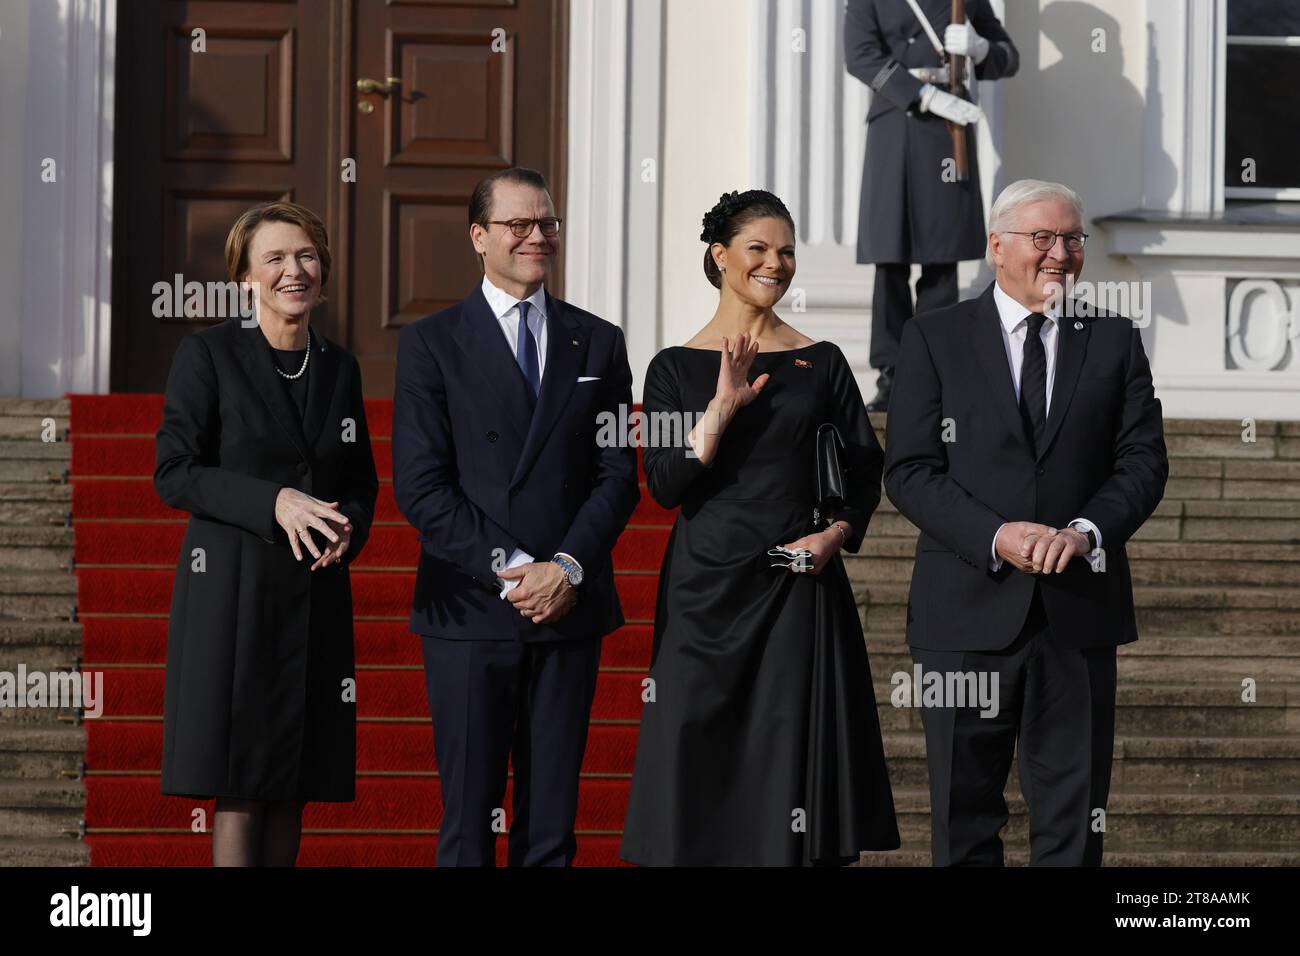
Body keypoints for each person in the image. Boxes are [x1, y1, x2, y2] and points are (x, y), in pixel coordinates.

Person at [883, 179, 1169, 866]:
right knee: (964, 815)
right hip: (964, 616)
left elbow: (1142, 463)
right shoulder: (932, 338)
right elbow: (911, 470)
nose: (1061, 254)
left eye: (1073, 239)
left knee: (1074, 820)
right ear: (997, 245)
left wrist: (1084, 533)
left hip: (1077, 612)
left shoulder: (1113, 338)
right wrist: (997, 535)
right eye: (1044, 238)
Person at [620, 190, 900, 866]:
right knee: (695, 757)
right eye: (759, 248)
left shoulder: (822, 361)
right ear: (720, 257)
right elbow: (665, 484)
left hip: (795, 585)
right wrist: (721, 406)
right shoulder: (672, 367)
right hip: (703, 593)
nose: (776, 263)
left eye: (786, 251)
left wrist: (835, 538)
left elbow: (864, 471)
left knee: (789, 770)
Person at [392, 167, 639, 867]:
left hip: (570, 607)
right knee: (468, 826)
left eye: (548, 223)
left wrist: (564, 569)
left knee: (551, 827)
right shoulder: (430, 343)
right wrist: (512, 568)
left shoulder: (599, 342)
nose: (538, 236)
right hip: (471, 608)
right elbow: (420, 486)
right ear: (479, 237)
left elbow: (617, 476)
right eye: (519, 225)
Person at [155, 200, 379, 866]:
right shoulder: (208, 355)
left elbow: (361, 480)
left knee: (293, 784)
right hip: (231, 597)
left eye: (306, 256)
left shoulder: (339, 367)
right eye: (275, 258)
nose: (294, 271)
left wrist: (352, 529)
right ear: (244, 278)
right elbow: (174, 472)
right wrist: (273, 500)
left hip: (312, 601)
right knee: (242, 785)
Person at [844, 0, 1019, 410]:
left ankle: (934, 370)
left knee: (942, 261)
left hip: (948, 126)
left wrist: (979, 49)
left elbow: (1007, 57)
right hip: (897, 122)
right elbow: (860, 55)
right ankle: (891, 374)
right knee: (890, 257)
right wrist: (921, 94)